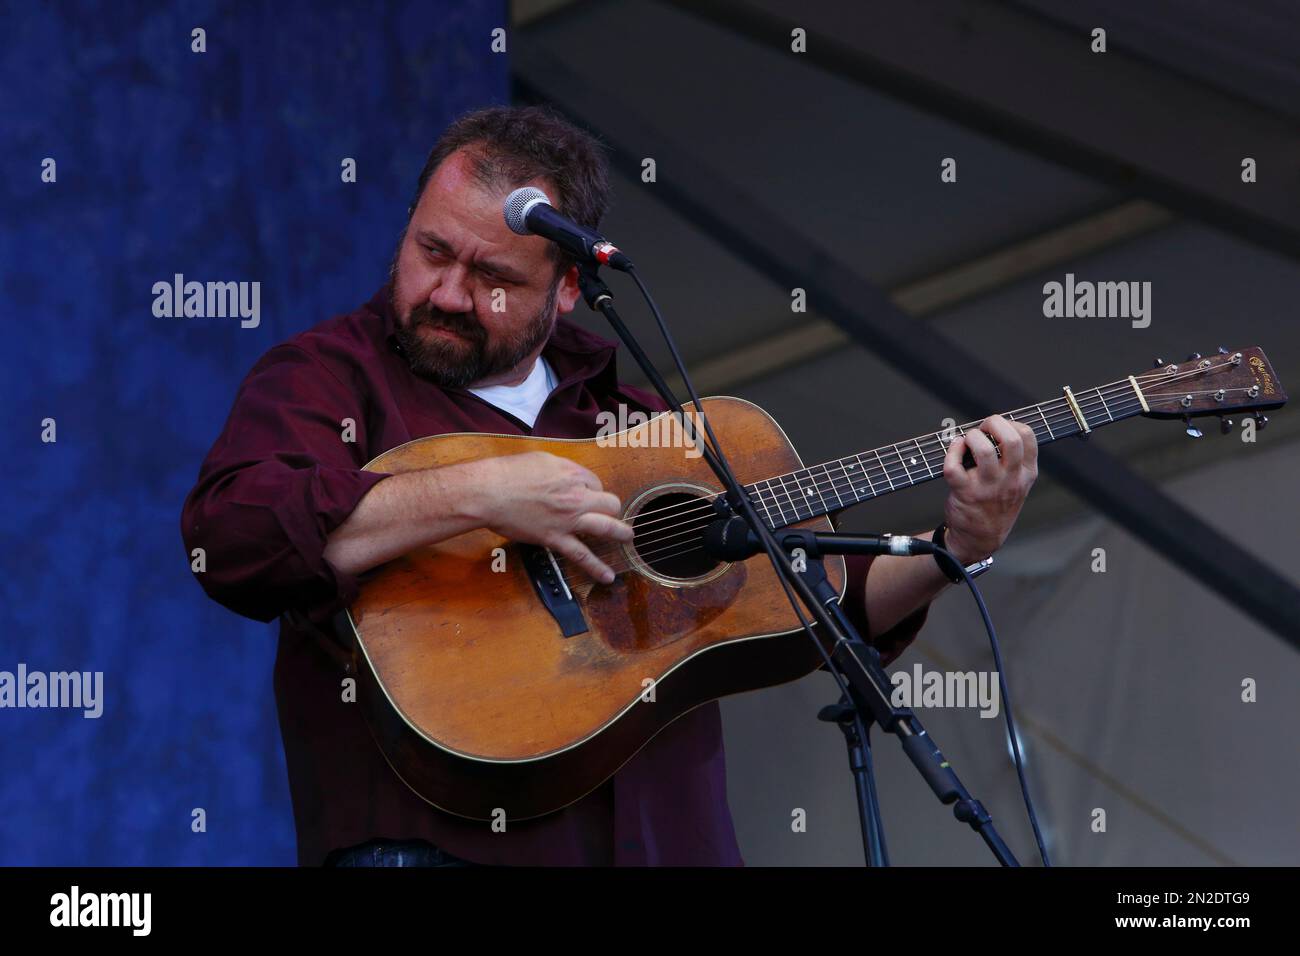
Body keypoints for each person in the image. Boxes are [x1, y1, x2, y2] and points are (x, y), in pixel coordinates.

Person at [180, 104, 1038, 867]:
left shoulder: (644, 428)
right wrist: (482, 493)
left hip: (668, 842)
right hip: (435, 842)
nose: (447, 292)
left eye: (495, 281)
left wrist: (959, 547)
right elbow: (231, 537)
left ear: (567, 292)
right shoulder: (326, 378)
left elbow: (820, 602)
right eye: (431, 250)